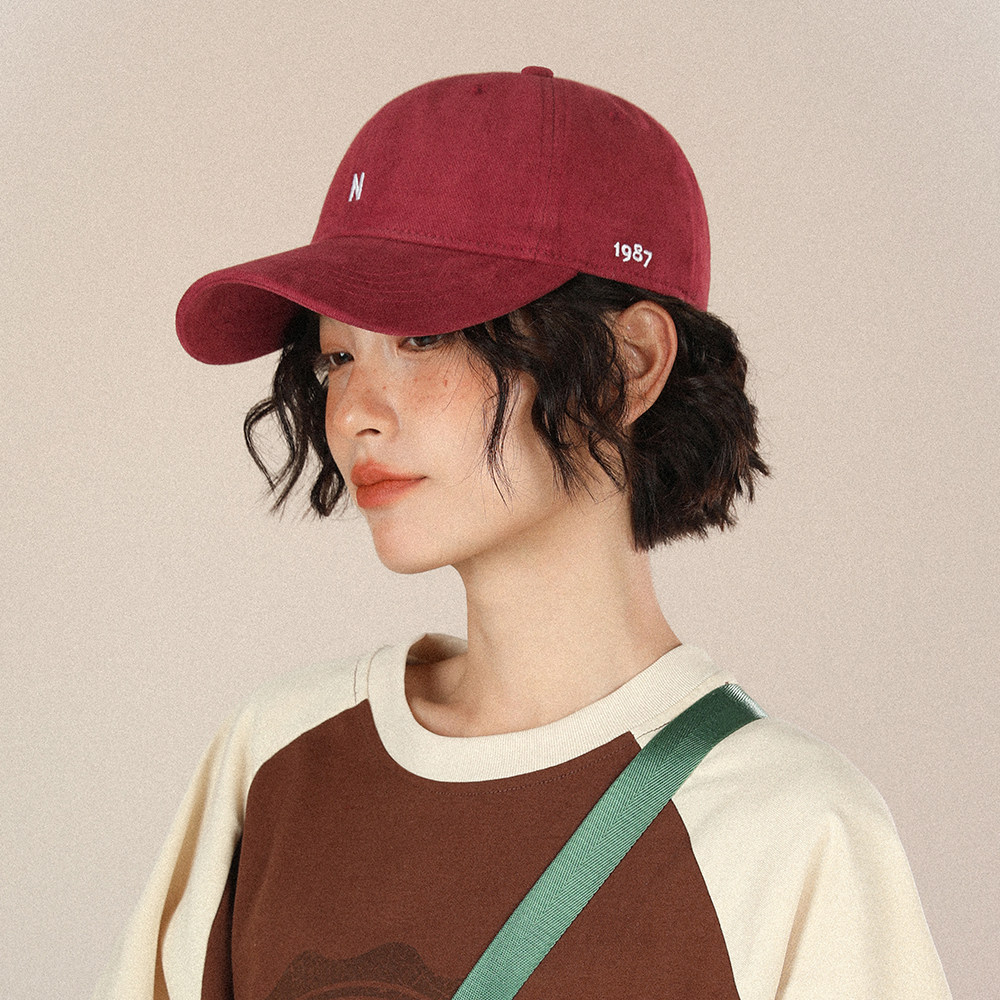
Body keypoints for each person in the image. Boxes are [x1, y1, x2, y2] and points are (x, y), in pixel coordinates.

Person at [94, 68, 951, 1000]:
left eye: (422, 338)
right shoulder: (278, 762)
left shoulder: (791, 834)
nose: (353, 414)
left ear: (629, 363)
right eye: (337, 355)